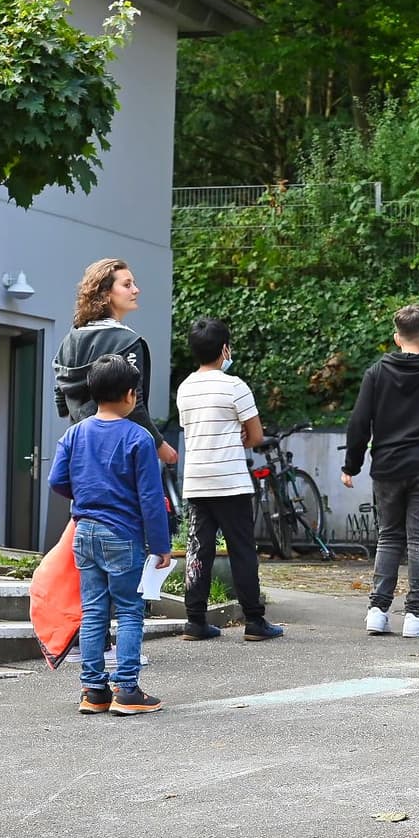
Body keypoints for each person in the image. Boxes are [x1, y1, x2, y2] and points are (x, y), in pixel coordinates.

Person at [47, 355, 172, 715]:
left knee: (93, 612)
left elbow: (58, 481)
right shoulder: (139, 437)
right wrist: (161, 545)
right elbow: (150, 497)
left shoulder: (75, 433)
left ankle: (93, 691)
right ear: (130, 395)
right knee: (130, 611)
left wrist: (86, 498)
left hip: (84, 532)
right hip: (123, 534)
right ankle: (128, 690)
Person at [341, 304, 419, 638]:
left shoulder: (376, 373)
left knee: (389, 536)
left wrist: (351, 464)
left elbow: (359, 423)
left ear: (397, 338)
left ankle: (377, 611)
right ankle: (417, 615)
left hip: (386, 468)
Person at [174, 316, 285, 642]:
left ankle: (195, 620)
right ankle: (254, 621)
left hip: (196, 480)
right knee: (241, 549)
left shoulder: (184, 388)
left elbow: (192, 429)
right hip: (231, 480)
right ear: (225, 349)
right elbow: (255, 435)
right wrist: (238, 436)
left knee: (199, 548)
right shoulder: (235, 386)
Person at [54, 258, 177, 468]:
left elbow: (61, 401)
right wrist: (160, 445)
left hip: (80, 452)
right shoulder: (127, 342)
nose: (136, 290)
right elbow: (134, 406)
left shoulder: (69, 340)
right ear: (105, 293)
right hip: (119, 454)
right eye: (127, 285)